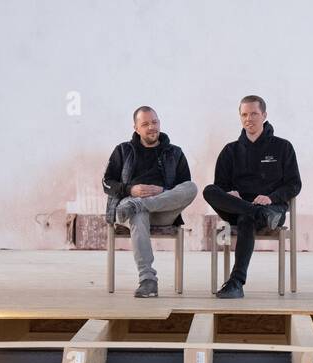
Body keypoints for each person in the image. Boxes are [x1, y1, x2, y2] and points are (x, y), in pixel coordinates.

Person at [201, 95, 302, 298]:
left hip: (272, 210)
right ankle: (256, 213)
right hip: (240, 207)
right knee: (209, 191)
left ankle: (236, 283)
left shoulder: (283, 147)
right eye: (244, 114)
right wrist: (230, 193)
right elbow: (220, 186)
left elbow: (294, 184)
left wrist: (271, 198)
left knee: (246, 219)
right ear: (240, 117)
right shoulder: (230, 151)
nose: (249, 119)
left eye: (254, 114)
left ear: (264, 115)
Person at [102, 106, 197, 298]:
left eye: (154, 122)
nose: (151, 127)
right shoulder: (123, 150)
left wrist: (163, 191)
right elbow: (107, 183)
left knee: (192, 187)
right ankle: (148, 280)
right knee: (137, 213)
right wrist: (130, 190)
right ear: (136, 128)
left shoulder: (175, 152)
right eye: (145, 124)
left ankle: (139, 204)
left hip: (162, 210)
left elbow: (183, 186)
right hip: (128, 207)